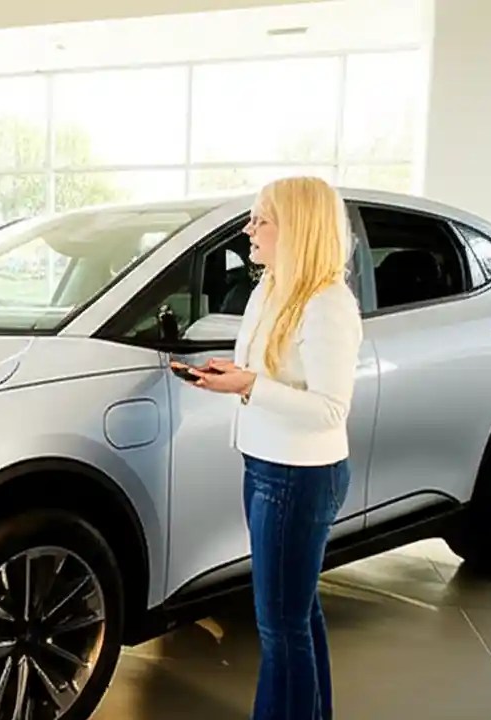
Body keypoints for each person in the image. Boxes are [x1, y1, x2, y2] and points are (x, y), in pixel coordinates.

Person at [174, 176, 362, 720]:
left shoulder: (328, 305)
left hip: (297, 476)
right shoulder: (271, 288)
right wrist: (236, 374)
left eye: (261, 219)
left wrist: (250, 385)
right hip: (266, 464)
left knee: (280, 628)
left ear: (296, 229)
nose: (249, 230)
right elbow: (271, 374)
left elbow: (330, 408)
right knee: (297, 615)